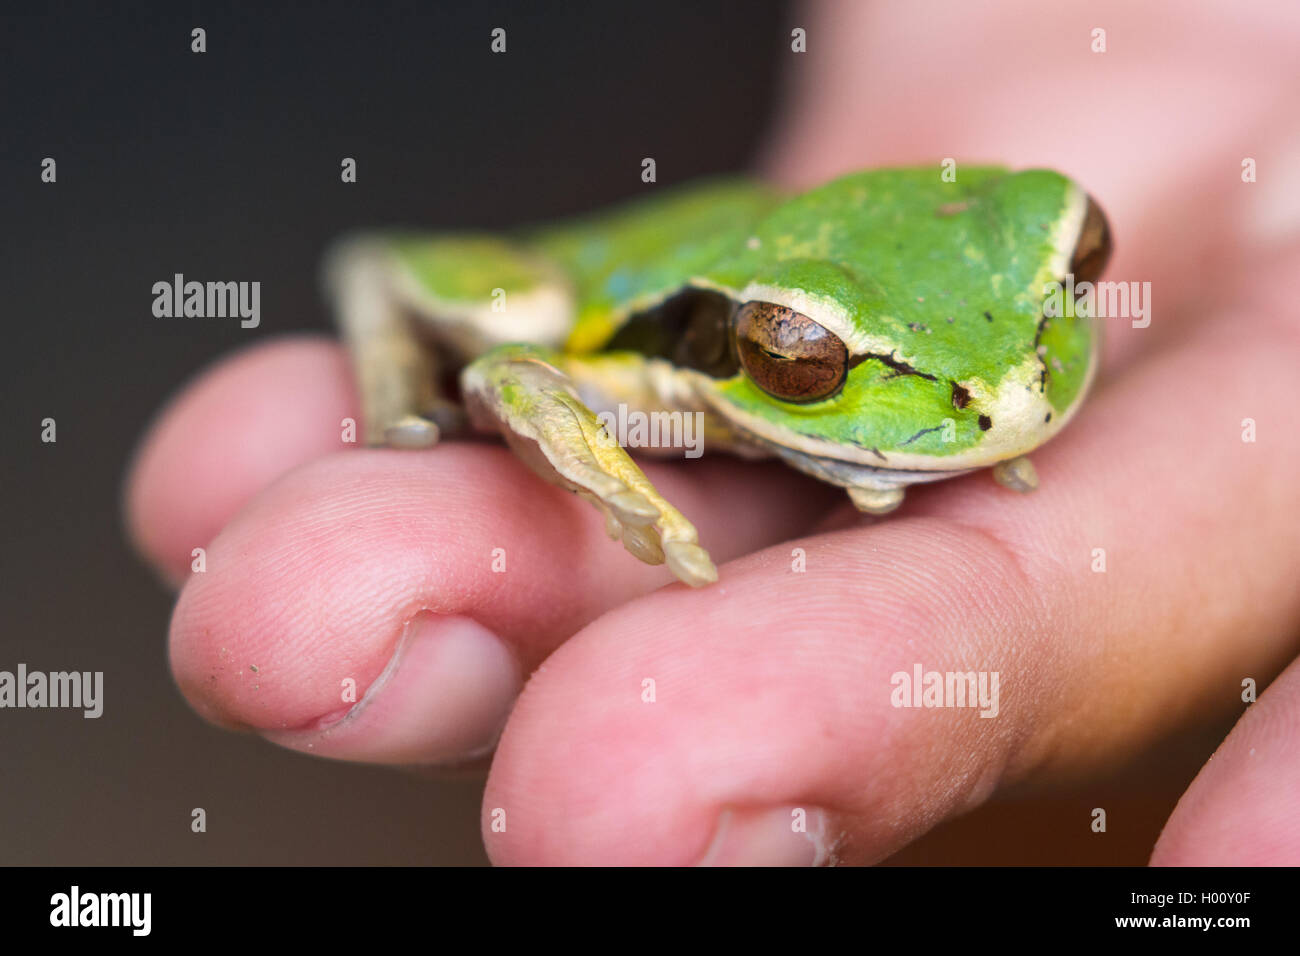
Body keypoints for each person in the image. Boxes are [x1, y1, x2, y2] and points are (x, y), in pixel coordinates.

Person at [126, 0, 1300, 864]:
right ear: (762, 351)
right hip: (627, 291)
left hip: (800, 215)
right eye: (808, 359)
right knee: (510, 309)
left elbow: (986, 301)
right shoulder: (667, 371)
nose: (1007, 392)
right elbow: (510, 374)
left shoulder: (991, 344)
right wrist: (619, 487)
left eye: (1075, 270)